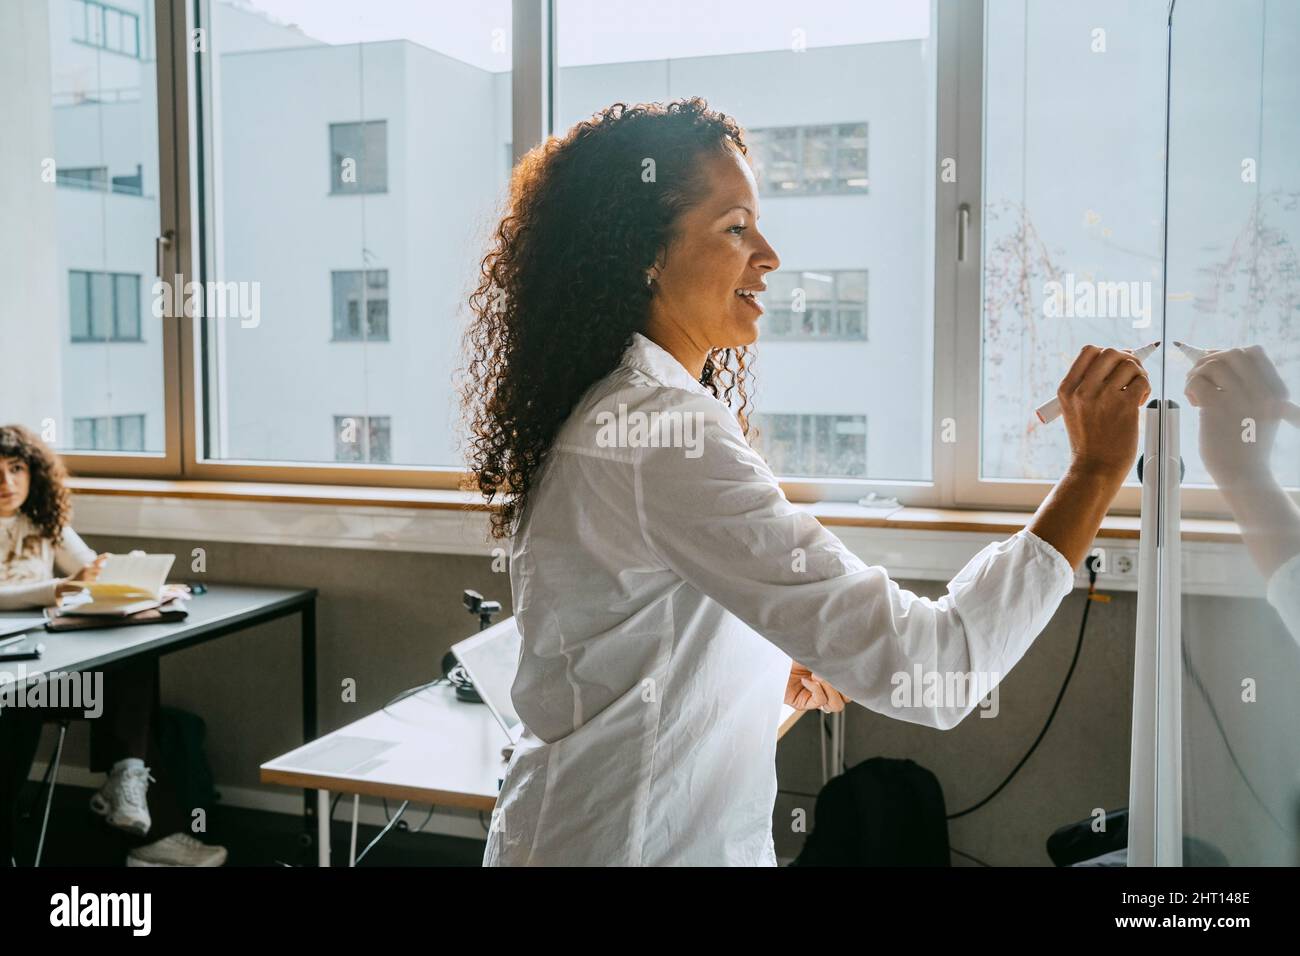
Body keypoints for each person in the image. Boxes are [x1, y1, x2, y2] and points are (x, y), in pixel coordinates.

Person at [460, 98, 1152, 866]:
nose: (769, 254)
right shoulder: (663, 435)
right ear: (642, 255)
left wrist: (750, 657)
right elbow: (937, 672)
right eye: (735, 229)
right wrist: (1095, 472)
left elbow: (630, 622)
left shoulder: (621, 406)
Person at [0, 424, 225, 866]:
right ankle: (147, 834)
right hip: (18, 683)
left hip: (58, 678)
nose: (7, 484)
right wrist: (59, 589)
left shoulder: (45, 521)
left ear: (33, 474)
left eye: (16, 469)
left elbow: (89, 572)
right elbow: (56, 588)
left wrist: (138, 585)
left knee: (129, 660)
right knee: (24, 707)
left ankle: (128, 789)